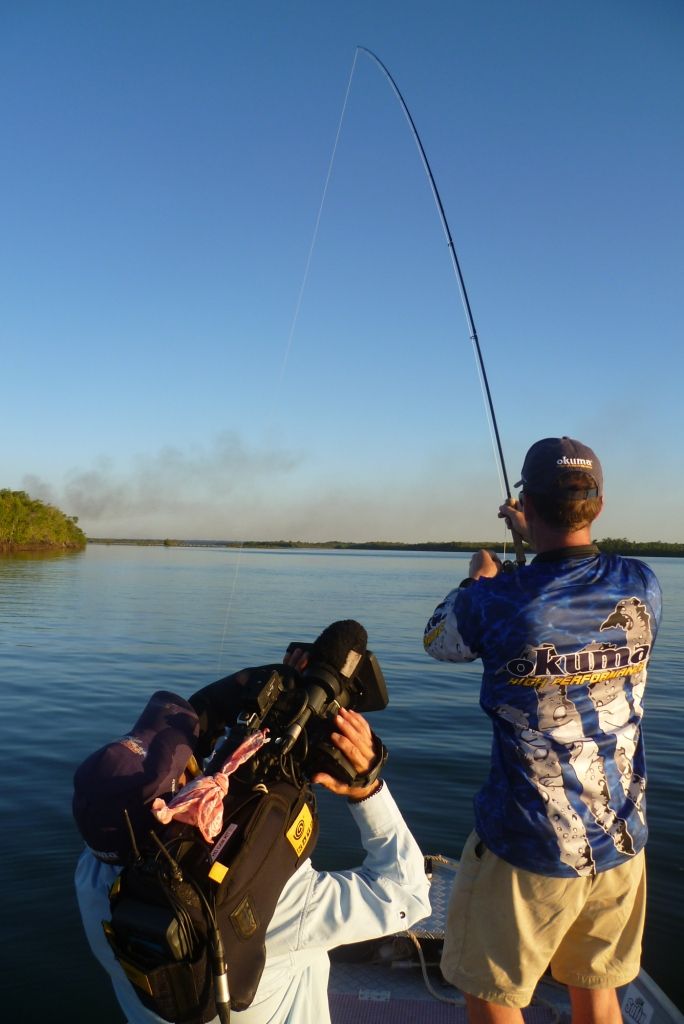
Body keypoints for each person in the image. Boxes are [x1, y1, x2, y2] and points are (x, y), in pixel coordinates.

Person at [73, 630, 431, 1024]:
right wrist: (366, 789)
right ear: (181, 804)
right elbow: (407, 893)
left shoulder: (94, 878)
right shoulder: (280, 902)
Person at [423, 437, 662, 1024]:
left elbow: (438, 642)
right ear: (598, 506)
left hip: (530, 847)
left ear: (528, 501)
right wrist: (531, 530)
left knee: (493, 994)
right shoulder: (644, 584)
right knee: (598, 994)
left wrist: (475, 580)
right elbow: (568, 585)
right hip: (621, 840)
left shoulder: (496, 601)